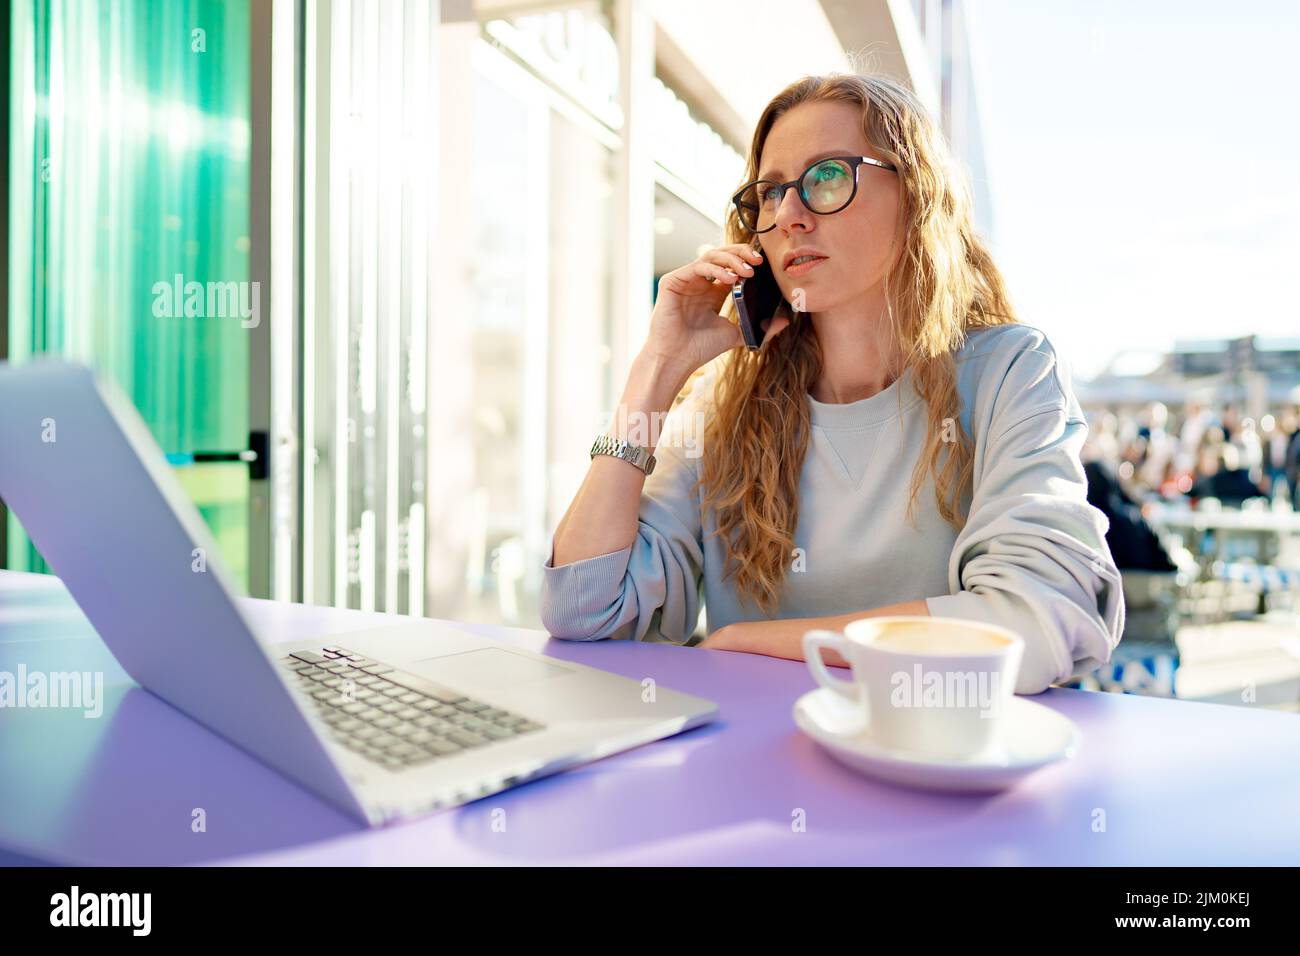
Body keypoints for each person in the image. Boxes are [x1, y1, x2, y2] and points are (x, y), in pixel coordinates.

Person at [538, 73, 1124, 695]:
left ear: (917, 195)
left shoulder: (1007, 371)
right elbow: (583, 611)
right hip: (754, 773)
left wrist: (747, 644)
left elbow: (1041, 616)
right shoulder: (722, 405)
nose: (788, 214)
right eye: (769, 193)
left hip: (941, 771)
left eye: (826, 178)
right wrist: (656, 372)